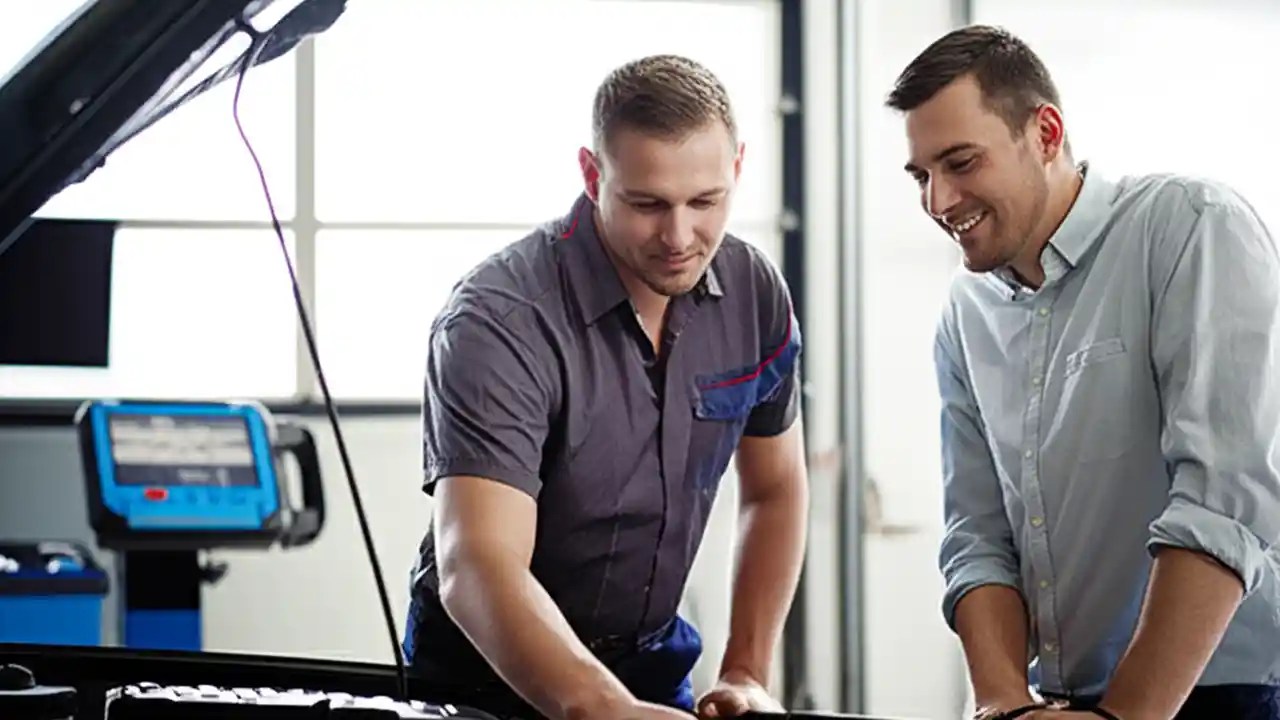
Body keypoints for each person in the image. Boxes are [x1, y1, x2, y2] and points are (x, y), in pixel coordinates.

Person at [886, 24, 1280, 720]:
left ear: (1044, 133)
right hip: (1071, 703)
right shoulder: (965, 307)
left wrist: (1126, 716)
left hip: (1232, 696)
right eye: (923, 175)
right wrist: (1004, 702)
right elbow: (977, 535)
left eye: (961, 162)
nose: (939, 202)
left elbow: (1222, 499)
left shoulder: (1191, 228)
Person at [400, 54, 809, 720]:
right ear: (593, 176)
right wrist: (597, 707)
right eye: (647, 204)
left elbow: (776, 488)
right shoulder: (499, 320)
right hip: (483, 678)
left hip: (649, 666)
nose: (679, 237)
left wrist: (746, 672)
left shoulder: (754, 294)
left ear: (737, 168)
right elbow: (477, 563)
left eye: (706, 202)